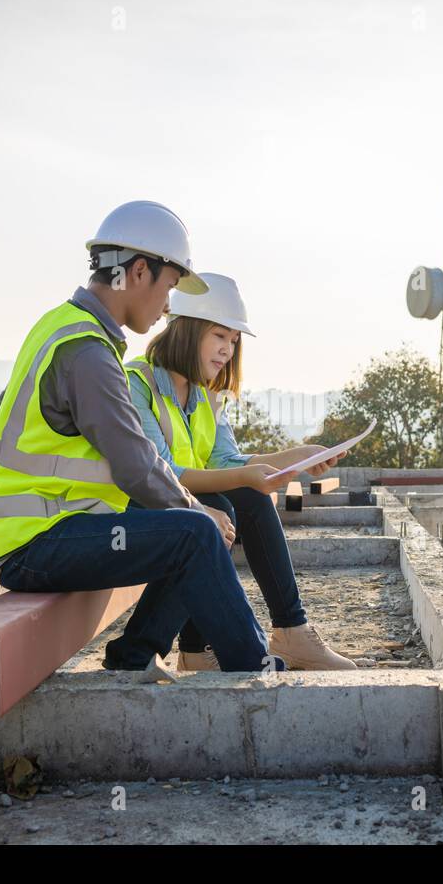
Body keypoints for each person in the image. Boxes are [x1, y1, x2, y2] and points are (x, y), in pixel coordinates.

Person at [0, 201, 282, 672]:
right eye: (171, 287)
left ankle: (135, 656)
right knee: (196, 533)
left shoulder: (61, 327)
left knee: (197, 525)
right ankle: (255, 668)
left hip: (42, 531)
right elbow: (137, 465)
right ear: (140, 272)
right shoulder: (88, 351)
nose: (166, 307)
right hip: (34, 544)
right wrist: (198, 511)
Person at [114, 272, 357, 671]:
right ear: (187, 331)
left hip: (178, 506)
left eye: (233, 340)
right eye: (219, 336)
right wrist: (247, 478)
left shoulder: (207, 394)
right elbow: (163, 472)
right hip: (134, 513)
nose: (228, 349)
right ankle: (196, 648)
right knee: (214, 506)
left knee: (247, 498)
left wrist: (302, 455)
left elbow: (228, 463)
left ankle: (290, 632)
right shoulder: (137, 382)